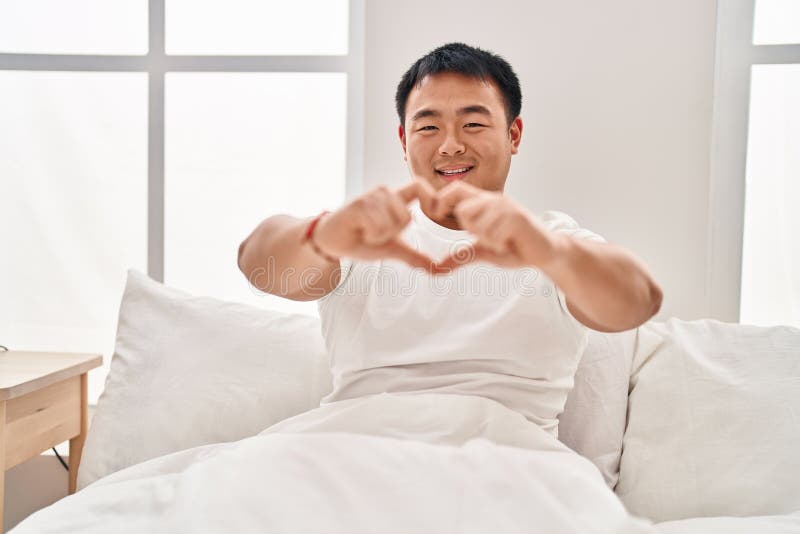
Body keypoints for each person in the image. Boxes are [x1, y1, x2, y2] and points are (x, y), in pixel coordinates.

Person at [238, 42, 662, 437]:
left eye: (473, 123)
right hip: (356, 451)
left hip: (508, 464)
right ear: (404, 141)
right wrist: (323, 235)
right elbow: (257, 263)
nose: (451, 146)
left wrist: (548, 252)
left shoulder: (552, 242)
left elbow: (638, 301)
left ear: (513, 135)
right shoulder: (358, 237)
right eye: (428, 128)